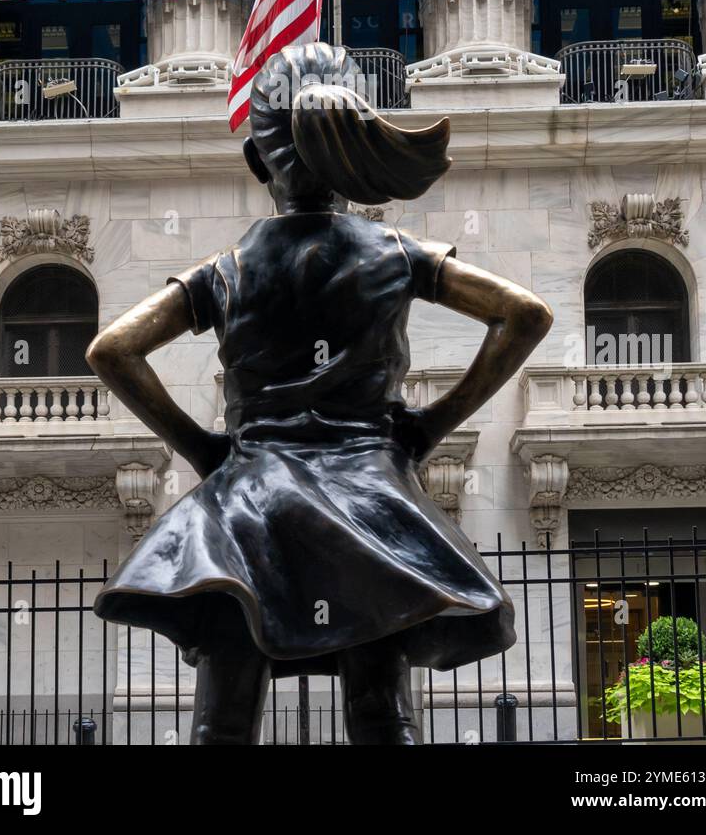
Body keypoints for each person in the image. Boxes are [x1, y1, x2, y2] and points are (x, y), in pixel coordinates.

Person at [87, 43, 552, 745]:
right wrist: (428, 425)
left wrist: (207, 449)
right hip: (369, 496)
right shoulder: (395, 252)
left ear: (256, 162)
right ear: (351, 163)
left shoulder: (227, 269)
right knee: (380, 713)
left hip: (250, 500)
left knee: (224, 719)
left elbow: (112, 349)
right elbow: (525, 313)